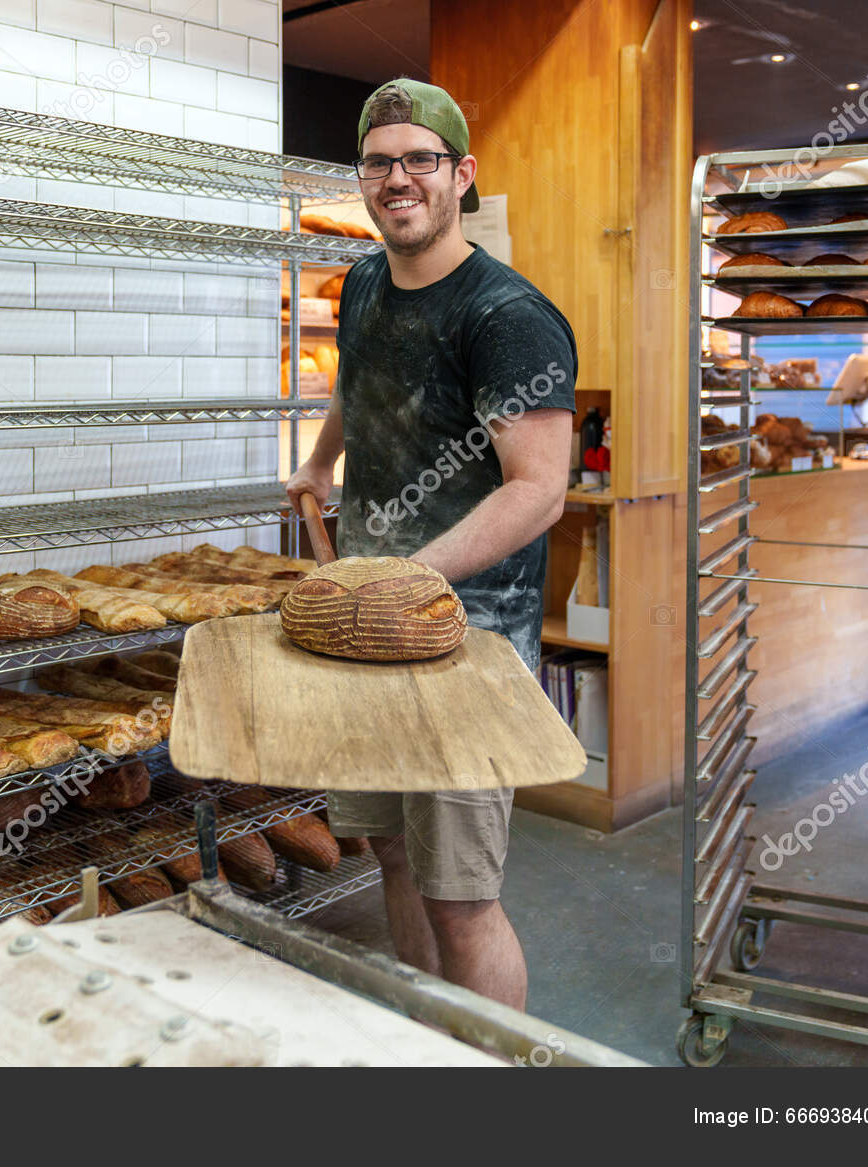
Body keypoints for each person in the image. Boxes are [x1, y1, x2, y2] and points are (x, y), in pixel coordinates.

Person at [285, 78, 577, 1010]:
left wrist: (408, 578)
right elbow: (360, 378)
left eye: (420, 159)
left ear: (463, 174)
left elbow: (540, 490)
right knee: (393, 852)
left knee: (462, 895)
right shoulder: (365, 281)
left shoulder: (506, 317)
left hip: (468, 646)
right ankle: (423, 1039)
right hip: (370, 632)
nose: (397, 179)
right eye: (379, 162)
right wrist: (320, 461)